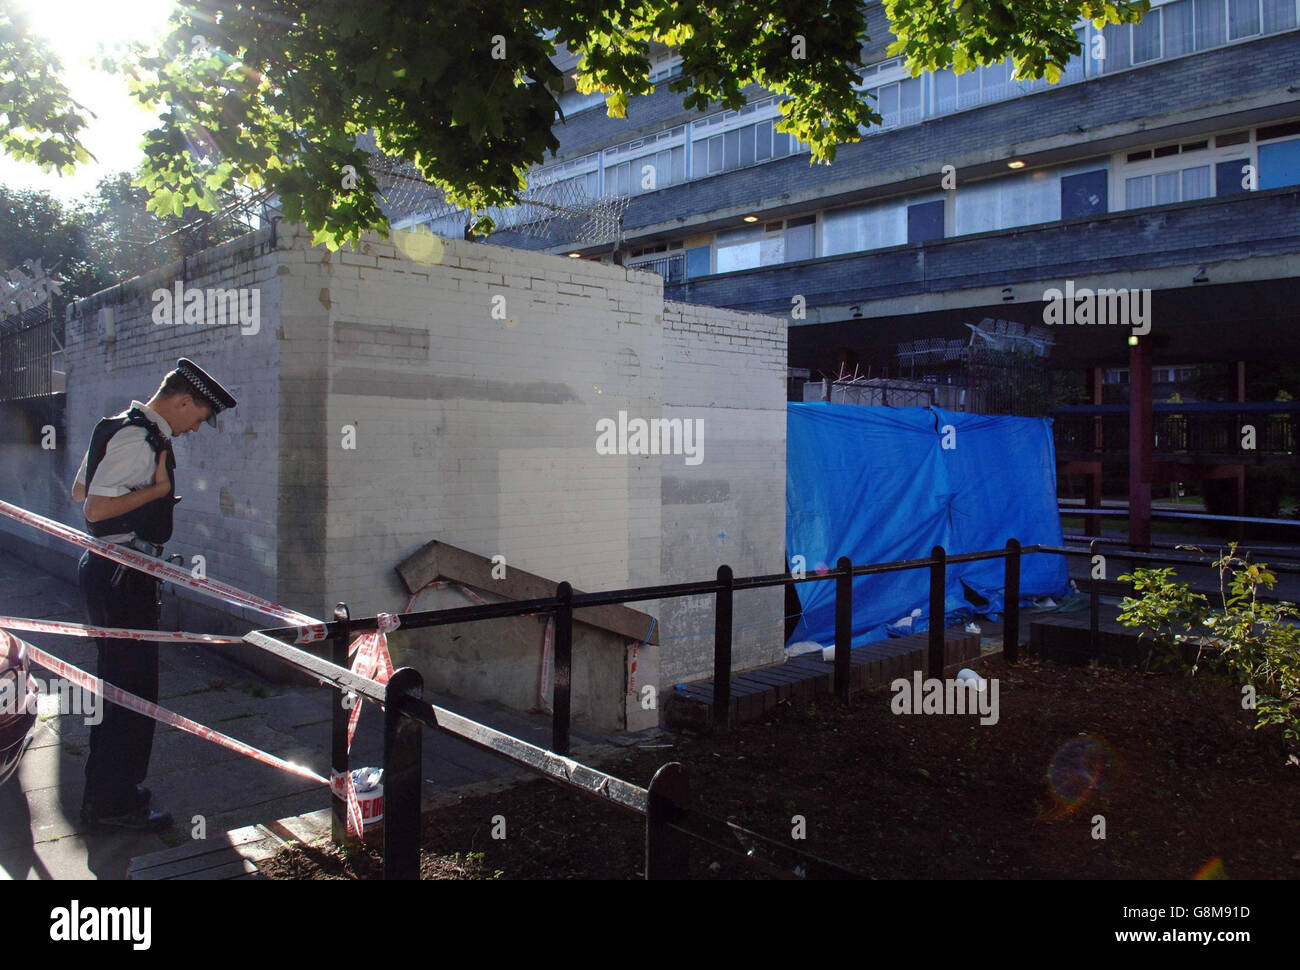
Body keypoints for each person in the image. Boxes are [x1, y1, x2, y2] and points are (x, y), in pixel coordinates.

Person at [70, 358, 236, 832]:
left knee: (124, 688)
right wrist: (157, 489)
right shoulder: (139, 439)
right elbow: (98, 509)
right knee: (132, 692)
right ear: (184, 400)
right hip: (122, 578)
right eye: (199, 417)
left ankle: (114, 792)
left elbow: (80, 490)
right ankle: (111, 805)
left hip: (113, 572)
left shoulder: (118, 426)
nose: (196, 428)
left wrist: (145, 495)